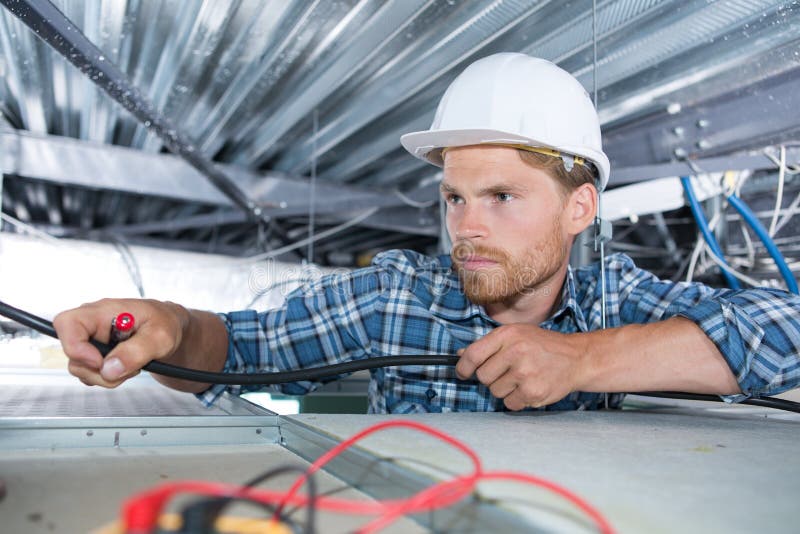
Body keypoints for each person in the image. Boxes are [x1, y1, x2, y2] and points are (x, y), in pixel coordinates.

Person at [54, 53, 800, 413]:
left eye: (502, 195)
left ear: (581, 209)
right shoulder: (396, 296)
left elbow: (783, 329)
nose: (466, 228)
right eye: (453, 198)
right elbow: (245, 351)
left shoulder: (619, 302)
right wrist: (171, 328)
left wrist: (582, 360)